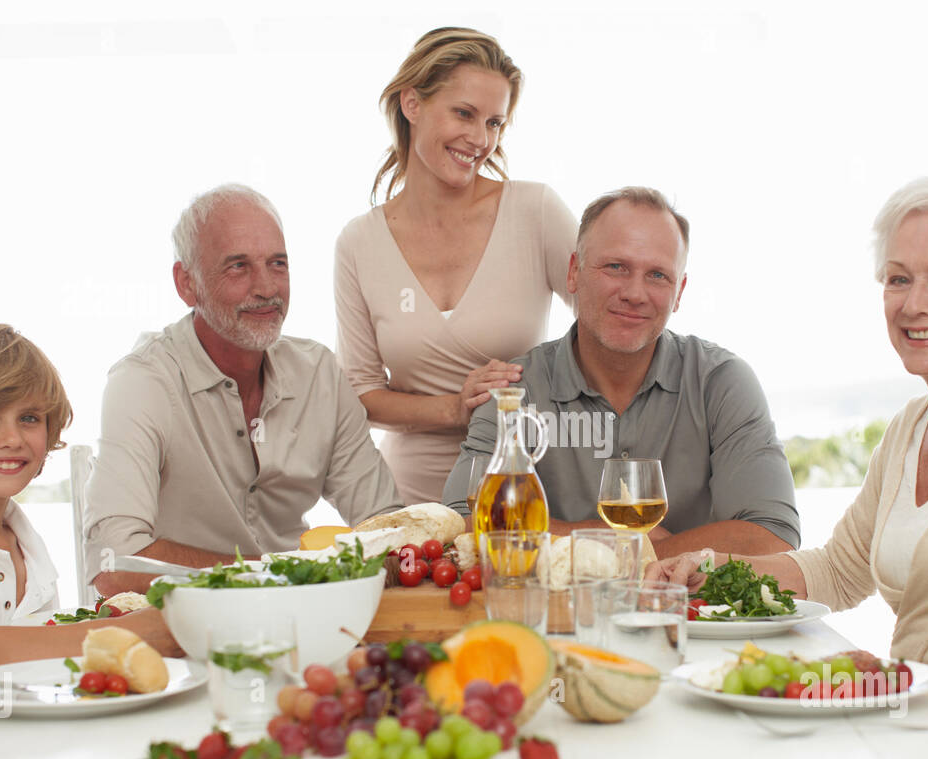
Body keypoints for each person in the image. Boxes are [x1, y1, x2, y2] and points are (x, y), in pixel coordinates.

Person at [649, 170, 928, 724]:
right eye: (898, 279)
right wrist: (710, 568)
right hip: (905, 718)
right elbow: (838, 570)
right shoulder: (911, 425)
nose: (913, 305)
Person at [443, 186, 801, 559]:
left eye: (658, 275)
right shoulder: (514, 389)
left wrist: (567, 541)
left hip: (690, 614)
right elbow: (463, 525)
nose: (634, 293)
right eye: (616, 267)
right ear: (574, 273)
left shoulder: (721, 382)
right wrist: (611, 540)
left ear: (679, 292)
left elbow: (772, 535)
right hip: (546, 615)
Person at [86, 184, 403, 597]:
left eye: (278, 264)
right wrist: (286, 575)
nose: (267, 288)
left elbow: (387, 527)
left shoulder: (320, 373)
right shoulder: (143, 382)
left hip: (306, 618)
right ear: (187, 284)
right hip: (180, 629)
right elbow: (118, 565)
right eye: (238, 266)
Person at [335, 27, 577, 504]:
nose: (479, 139)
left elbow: (606, 324)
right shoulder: (359, 242)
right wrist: (455, 408)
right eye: (464, 114)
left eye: (493, 123)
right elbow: (360, 394)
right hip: (407, 499)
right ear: (412, 104)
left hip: (517, 490)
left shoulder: (536, 212)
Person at [0, 324, 179, 675]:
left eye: (29, 418)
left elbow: (39, 665)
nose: (11, 438)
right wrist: (123, 632)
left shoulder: (30, 546)